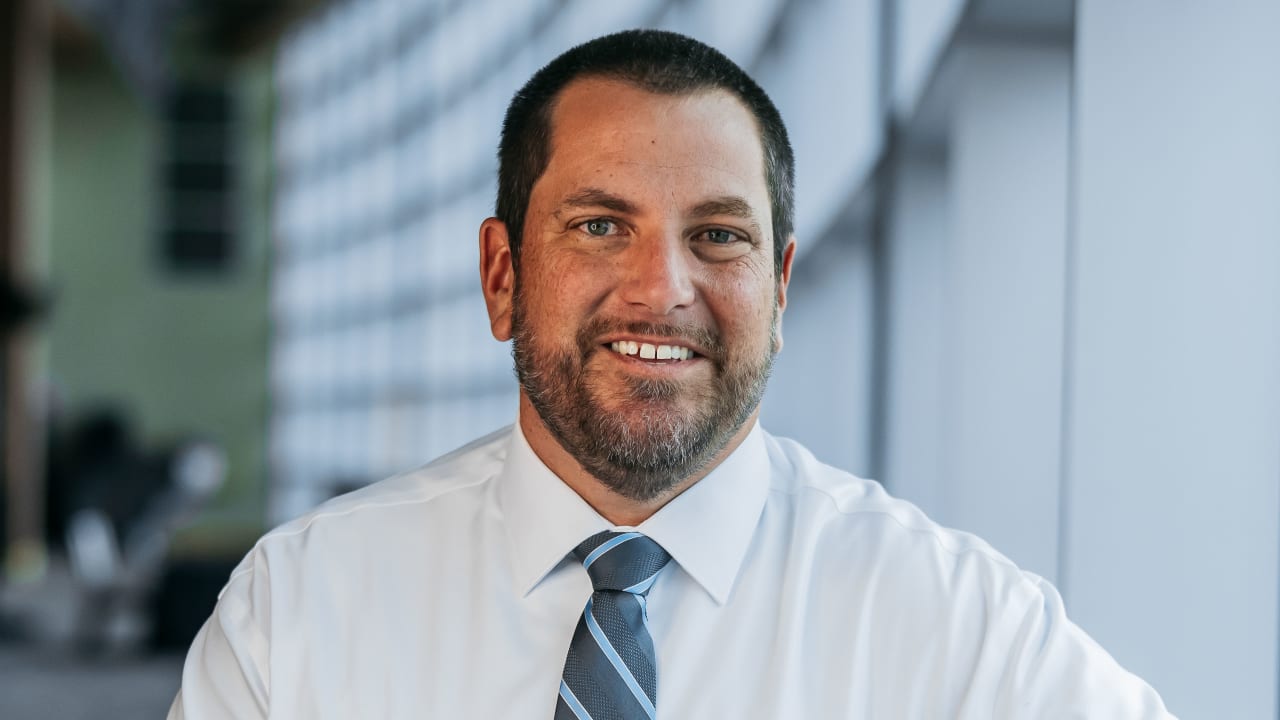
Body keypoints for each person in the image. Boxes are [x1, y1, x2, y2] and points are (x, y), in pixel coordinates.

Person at [169, 29, 1174, 719]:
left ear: (780, 292)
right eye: (600, 226)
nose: (661, 289)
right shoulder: (302, 611)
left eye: (717, 235)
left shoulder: (958, 632)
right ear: (501, 276)